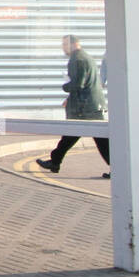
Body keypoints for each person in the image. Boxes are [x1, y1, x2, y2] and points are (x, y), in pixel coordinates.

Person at [37, 35, 110, 178]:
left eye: (65, 44)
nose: (63, 48)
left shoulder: (78, 59)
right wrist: (69, 98)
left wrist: (65, 87)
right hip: (90, 105)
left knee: (99, 140)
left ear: (75, 44)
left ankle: (55, 161)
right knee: (72, 135)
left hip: (86, 108)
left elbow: (78, 84)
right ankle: (55, 161)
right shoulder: (83, 57)